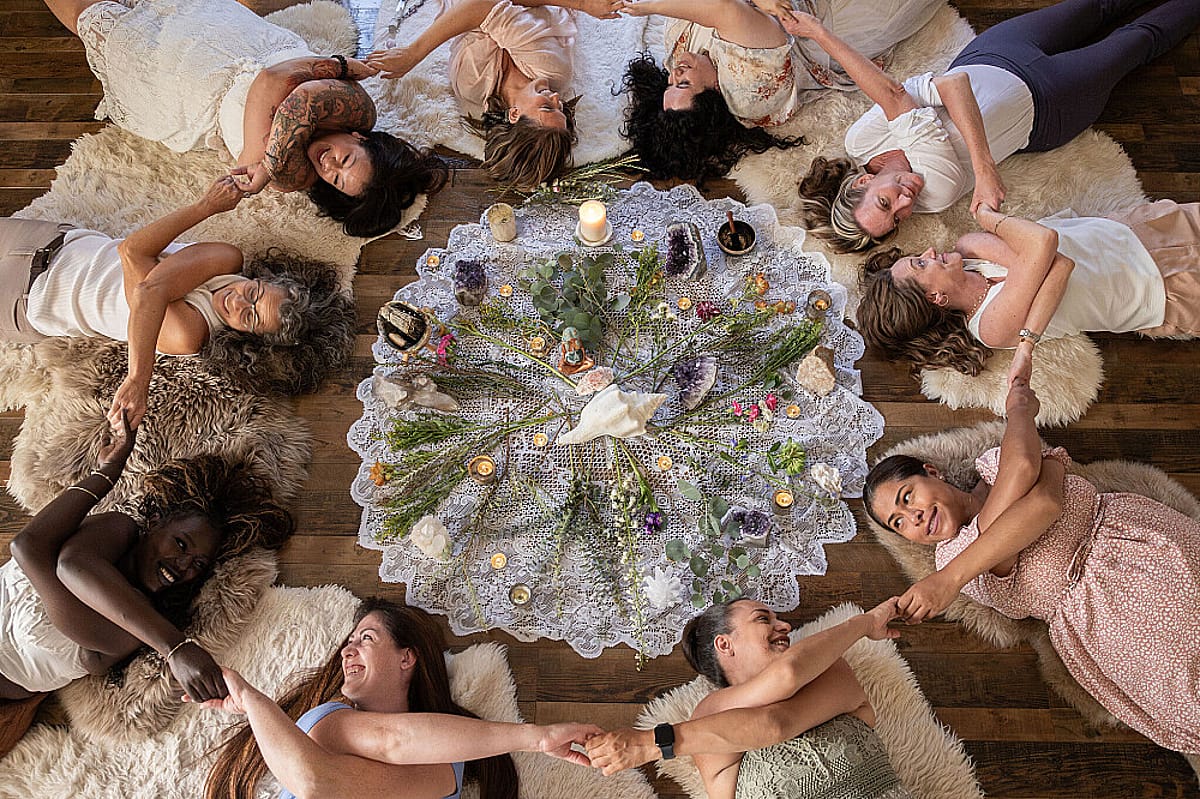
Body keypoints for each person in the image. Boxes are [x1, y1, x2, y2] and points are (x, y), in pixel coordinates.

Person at [864, 380, 1200, 754]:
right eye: (899, 523)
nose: (913, 516)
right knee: (1181, 676)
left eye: (907, 497)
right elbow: (1042, 503)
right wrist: (1050, 472)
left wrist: (1020, 409)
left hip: (1123, 533)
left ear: (933, 471)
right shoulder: (952, 561)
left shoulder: (991, 466)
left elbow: (1026, 470)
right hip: (1094, 612)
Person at [797, 0, 1200, 252]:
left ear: (861, 184)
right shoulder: (934, 193)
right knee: (1141, 39)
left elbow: (953, 82)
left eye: (886, 203)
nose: (906, 203)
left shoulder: (859, 141)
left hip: (994, 53)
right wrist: (950, 110)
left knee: (1097, 6)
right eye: (899, 218)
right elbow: (942, 91)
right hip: (1051, 103)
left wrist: (985, 166)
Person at [1, 415, 294, 749]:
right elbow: (46, 555)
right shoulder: (117, 529)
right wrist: (109, 471)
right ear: (154, 524)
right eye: (181, 544)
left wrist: (174, 646)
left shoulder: (135, 628)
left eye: (198, 563)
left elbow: (36, 551)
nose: (184, 566)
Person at [40, 0, 447, 236]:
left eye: (336, 180)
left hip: (187, 86)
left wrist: (263, 167)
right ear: (360, 137)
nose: (329, 165)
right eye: (346, 160)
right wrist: (256, 158)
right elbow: (277, 81)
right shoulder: (354, 107)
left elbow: (284, 107)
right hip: (234, 45)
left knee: (93, 18)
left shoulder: (293, 176)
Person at [0, 177, 356, 429]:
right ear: (262, 280)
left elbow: (137, 260)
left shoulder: (189, 333)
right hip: (52, 241)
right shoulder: (227, 259)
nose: (236, 301)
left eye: (249, 317)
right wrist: (207, 205)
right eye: (253, 293)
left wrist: (139, 379)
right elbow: (137, 261)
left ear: (250, 338)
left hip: (21, 299)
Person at [202, 598, 601, 799]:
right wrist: (251, 700)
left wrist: (538, 738)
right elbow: (314, 780)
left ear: (406, 657)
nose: (346, 650)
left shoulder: (448, 761)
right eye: (349, 641)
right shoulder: (327, 720)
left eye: (366, 639)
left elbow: (397, 742)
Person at [585, 598, 909, 799]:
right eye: (763, 618)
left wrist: (865, 622)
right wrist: (863, 624)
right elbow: (771, 719)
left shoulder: (832, 668)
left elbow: (786, 688)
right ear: (724, 644)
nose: (784, 625)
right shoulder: (708, 712)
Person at [855, 201, 1200, 383]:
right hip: (1159, 292)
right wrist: (986, 214)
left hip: (1133, 232)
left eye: (917, 257)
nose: (929, 253)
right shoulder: (990, 327)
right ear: (936, 299)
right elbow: (1050, 249)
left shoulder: (968, 248)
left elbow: (1053, 264)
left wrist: (1041, 271)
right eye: (921, 265)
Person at [619, 0, 940, 182]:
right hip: (837, 14)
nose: (675, 72)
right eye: (683, 83)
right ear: (712, 98)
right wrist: (649, 7)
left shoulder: (681, 53)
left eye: (670, 83)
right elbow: (728, 11)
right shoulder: (749, 91)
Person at [366, 0, 617, 188]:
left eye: (547, 108)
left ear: (514, 114)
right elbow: (486, 7)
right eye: (560, 108)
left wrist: (412, 54)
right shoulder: (551, 70)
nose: (556, 99)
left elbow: (482, 6)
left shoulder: (472, 84)